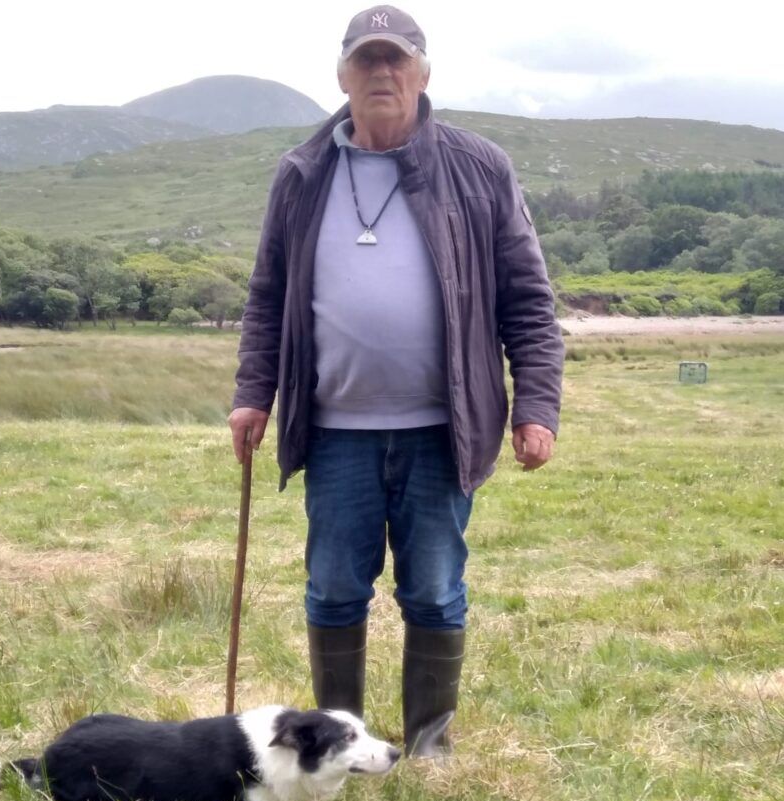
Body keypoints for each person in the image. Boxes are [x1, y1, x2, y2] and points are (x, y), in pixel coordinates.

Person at [228, 5, 563, 758]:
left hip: (443, 431)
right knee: (335, 590)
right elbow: (268, 292)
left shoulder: (479, 167)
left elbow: (528, 300)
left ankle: (429, 747)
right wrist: (254, 393)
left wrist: (535, 405)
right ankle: (338, 749)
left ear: (422, 73)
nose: (382, 73)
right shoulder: (302, 173)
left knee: (436, 591)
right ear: (342, 76)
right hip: (336, 429)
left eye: (397, 60)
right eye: (366, 61)